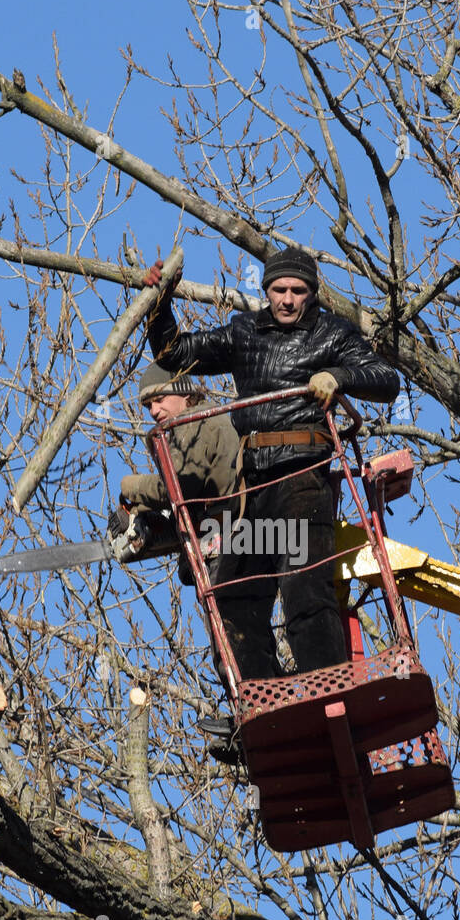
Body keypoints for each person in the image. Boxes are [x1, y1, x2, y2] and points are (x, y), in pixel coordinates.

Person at [144, 246, 399, 691]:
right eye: (278, 289)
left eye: (297, 291)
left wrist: (339, 376)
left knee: (303, 586)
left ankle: (330, 688)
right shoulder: (245, 333)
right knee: (233, 597)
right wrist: (160, 302)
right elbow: (173, 351)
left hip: (302, 481)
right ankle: (261, 697)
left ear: (311, 294)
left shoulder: (332, 335)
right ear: (265, 291)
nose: (286, 299)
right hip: (253, 490)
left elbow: (386, 379)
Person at [112, 362, 240, 586]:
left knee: (229, 618)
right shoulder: (213, 417)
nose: (153, 411)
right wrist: (140, 513)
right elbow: (192, 495)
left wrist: (131, 486)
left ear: (183, 393)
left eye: (159, 400)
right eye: (148, 405)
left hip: (224, 541)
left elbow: (178, 487)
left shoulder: (192, 424)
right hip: (241, 535)